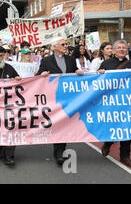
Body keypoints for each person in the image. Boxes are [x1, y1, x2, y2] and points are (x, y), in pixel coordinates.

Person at [98, 39, 131, 168]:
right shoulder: (105, 64)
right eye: (118, 47)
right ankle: (108, 143)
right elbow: (97, 83)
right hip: (110, 103)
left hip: (127, 103)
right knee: (111, 125)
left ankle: (125, 156)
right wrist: (99, 73)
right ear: (113, 50)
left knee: (127, 128)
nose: (121, 49)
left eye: (123, 48)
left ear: (127, 50)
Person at [37, 37, 84, 165]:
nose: (66, 46)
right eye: (63, 44)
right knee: (56, 124)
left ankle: (60, 151)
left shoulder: (70, 59)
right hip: (54, 98)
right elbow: (40, 74)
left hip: (68, 98)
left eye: (66, 44)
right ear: (55, 47)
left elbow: (74, 70)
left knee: (64, 124)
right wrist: (42, 74)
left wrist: (78, 71)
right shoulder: (46, 60)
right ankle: (58, 152)